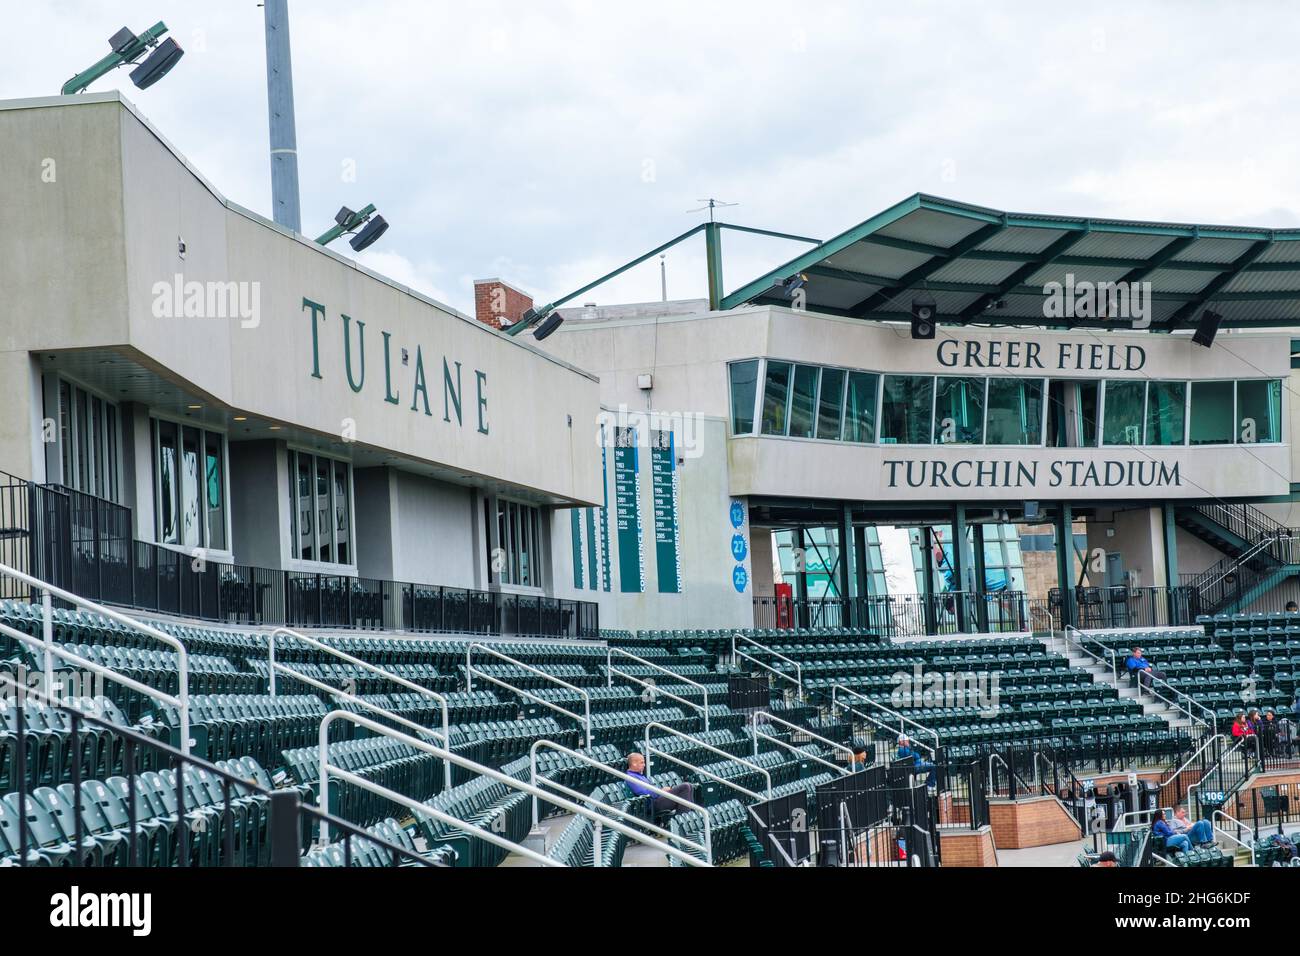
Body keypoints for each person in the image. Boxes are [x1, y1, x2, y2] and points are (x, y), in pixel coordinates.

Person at [625, 752, 696, 815]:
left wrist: (661, 791)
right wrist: (661, 791)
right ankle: (684, 817)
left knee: (690, 786)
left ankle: (689, 815)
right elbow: (643, 792)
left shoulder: (640, 775)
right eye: (642, 762)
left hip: (656, 800)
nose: (644, 765)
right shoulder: (631, 777)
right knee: (685, 787)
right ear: (634, 763)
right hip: (652, 805)